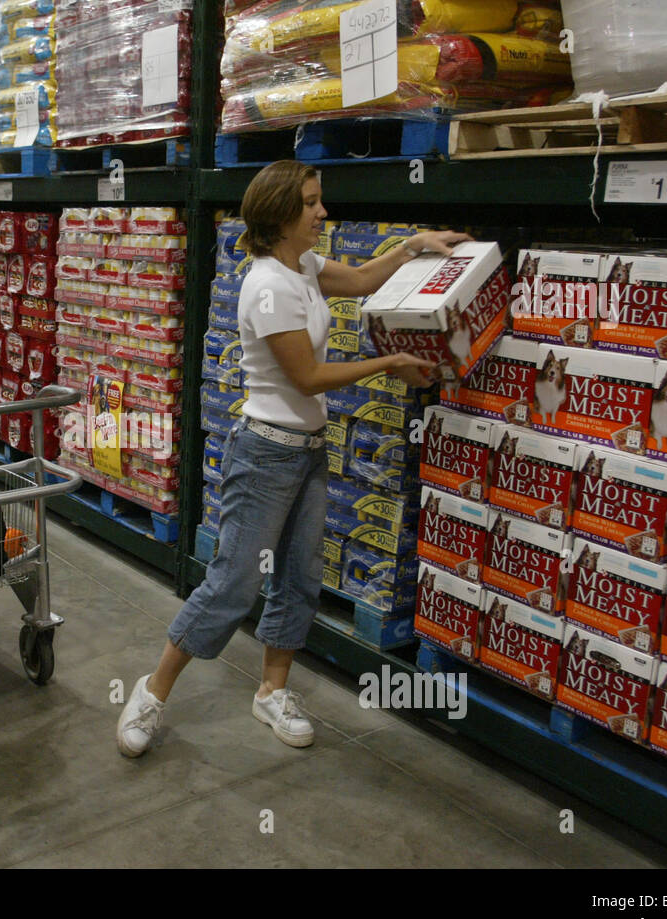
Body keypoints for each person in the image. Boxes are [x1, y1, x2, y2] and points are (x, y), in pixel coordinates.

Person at [117, 160, 471, 757]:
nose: (322, 213)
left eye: (320, 200)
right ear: (281, 213)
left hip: (308, 453)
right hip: (264, 457)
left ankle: (271, 692)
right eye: (311, 203)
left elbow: (361, 281)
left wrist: (414, 245)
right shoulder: (267, 287)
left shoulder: (301, 266)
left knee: (301, 579)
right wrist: (388, 362)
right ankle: (151, 694)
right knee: (233, 584)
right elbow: (307, 378)